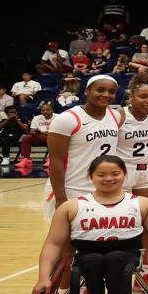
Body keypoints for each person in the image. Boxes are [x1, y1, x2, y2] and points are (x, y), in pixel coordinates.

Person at [31, 155, 148, 294]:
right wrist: (43, 277)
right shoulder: (71, 206)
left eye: (115, 173)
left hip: (126, 255)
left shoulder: (142, 203)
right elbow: (53, 244)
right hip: (87, 255)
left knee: (115, 259)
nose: (108, 178)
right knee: (92, 260)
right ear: (91, 177)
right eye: (101, 174)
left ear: (124, 175)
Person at [46, 75, 125, 222]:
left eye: (111, 91)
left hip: (102, 189)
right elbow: (56, 161)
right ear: (87, 91)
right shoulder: (66, 119)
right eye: (100, 90)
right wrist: (61, 198)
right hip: (72, 189)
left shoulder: (116, 116)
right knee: (65, 242)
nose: (106, 95)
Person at [117, 76, 148, 227]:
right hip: (123, 171)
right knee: (122, 219)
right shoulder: (119, 115)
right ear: (131, 96)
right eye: (143, 96)